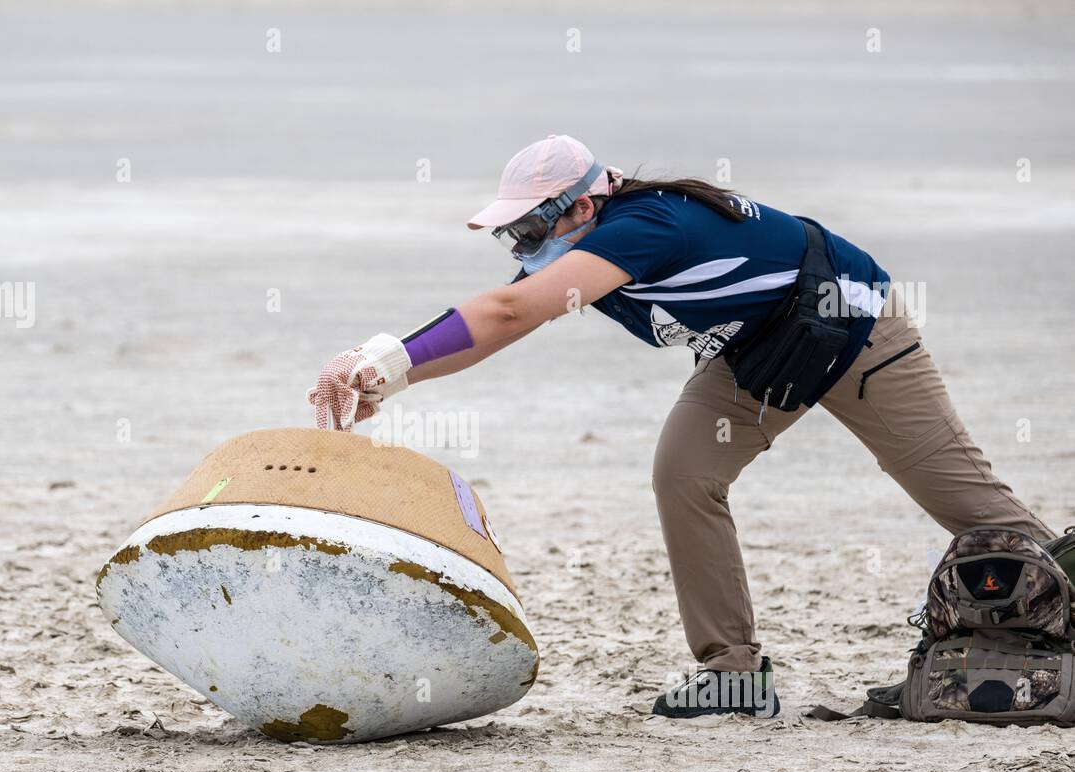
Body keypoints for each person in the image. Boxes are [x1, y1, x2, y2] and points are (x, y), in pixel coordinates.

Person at [307, 134, 1054, 718]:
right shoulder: (584, 247)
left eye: (533, 224)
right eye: (513, 234)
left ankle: (1064, 611)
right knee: (685, 475)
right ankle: (734, 673)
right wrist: (389, 382)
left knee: (964, 502)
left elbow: (506, 311)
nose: (524, 245)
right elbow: (502, 325)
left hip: (847, 326)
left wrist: (383, 360)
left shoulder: (644, 227)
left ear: (584, 205)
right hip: (757, 350)